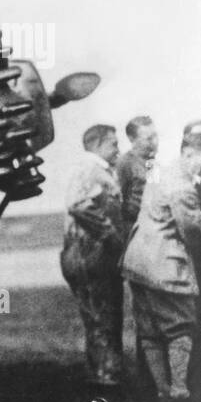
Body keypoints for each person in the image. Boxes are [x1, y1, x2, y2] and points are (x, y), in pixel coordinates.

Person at [121, 122, 201, 402]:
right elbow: (193, 231)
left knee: (150, 330)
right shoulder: (181, 186)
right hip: (164, 265)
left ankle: (161, 391)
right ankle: (179, 390)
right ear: (191, 153)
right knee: (180, 326)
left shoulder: (161, 173)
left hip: (138, 262)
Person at [60, 124, 127, 387]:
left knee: (104, 313)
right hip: (88, 253)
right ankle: (104, 376)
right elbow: (77, 204)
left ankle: (106, 372)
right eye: (113, 143)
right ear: (97, 145)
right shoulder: (89, 168)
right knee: (101, 315)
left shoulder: (100, 170)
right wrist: (109, 234)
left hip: (95, 253)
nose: (118, 148)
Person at [116, 116, 158, 227]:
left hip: (152, 224)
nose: (155, 142)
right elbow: (118, 199)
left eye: (155, 136)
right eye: (148, 139)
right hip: (132, 226)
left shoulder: (153, 162)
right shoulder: (124, 163)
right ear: (132, 139)